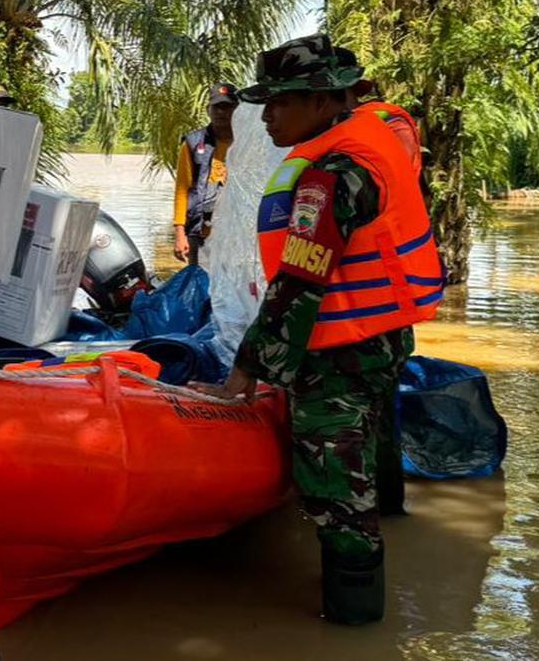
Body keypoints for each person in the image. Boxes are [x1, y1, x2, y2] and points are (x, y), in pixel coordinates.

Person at [195, 34, 443, 624]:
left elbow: (298, 284)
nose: (268, 115)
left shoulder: (331, 174)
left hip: (341, 352)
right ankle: (394, 525)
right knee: (374, 453)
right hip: (382, 336)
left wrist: (243, 373)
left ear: (326, 100)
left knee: (336, 492)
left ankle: (354, 619)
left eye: (282, 102)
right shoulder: (372, 139)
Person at [173, 83, 238, 265]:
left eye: (227, 107)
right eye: (217, 107)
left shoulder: (247, 143)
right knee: (200, 285)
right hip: (200, 233)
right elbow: (181, 190)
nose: (221, 113)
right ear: (208, 110)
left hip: (236, 233)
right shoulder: (193, 143)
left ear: (237, 110)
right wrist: (179, 233)